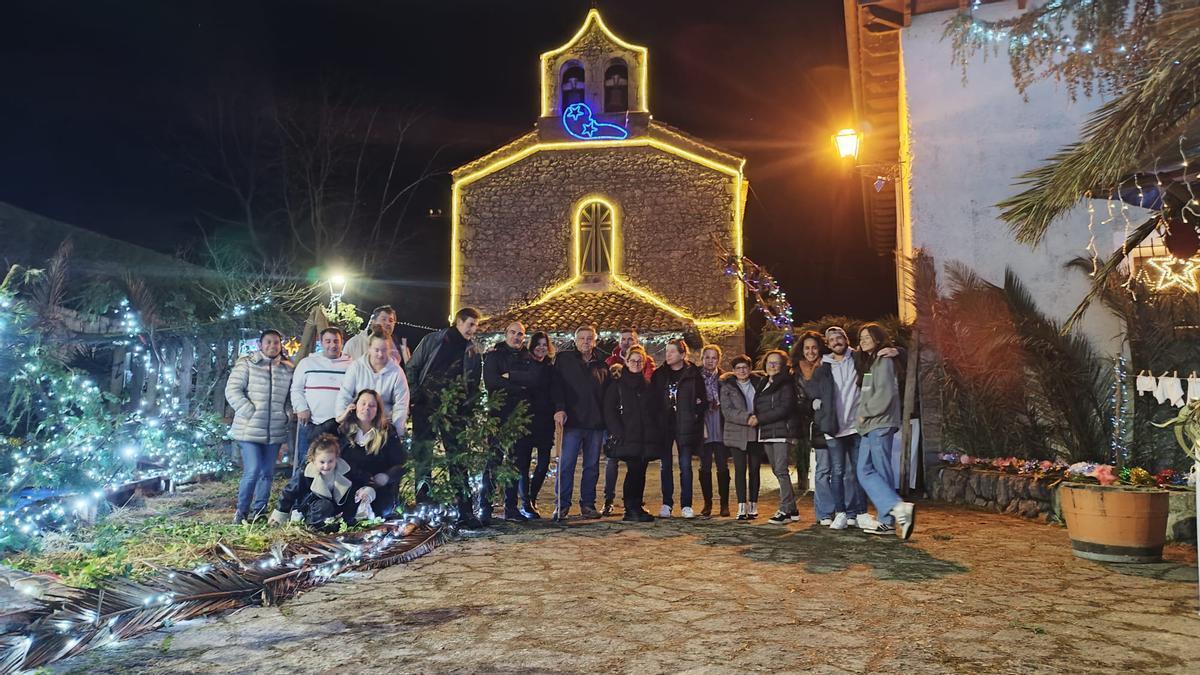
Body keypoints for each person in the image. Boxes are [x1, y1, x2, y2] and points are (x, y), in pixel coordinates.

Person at [406, 307, 483, 526]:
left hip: (455, 411)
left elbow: (474, 382)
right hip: (426, 406)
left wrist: (469, 405)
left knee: (458, 459)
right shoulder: (433, 340)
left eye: (476, 326)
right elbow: (413, 366)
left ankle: (465, 511)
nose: (473, 329)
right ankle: (424, 507)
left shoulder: (473, 350)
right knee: (423, 457)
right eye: (470, 324)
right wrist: (416, 394)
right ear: (458, 322)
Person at [225, 329, 295, 523]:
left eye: (276, 343)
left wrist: (287, 414)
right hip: (249, 428)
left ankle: (259, 511)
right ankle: (241, 512)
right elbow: (232, 390)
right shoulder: (247, 364)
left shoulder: (287, 369)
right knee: (253, 469)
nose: (273, 346)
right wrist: (248, 410)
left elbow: (290, 397)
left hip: (275, 429)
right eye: (268, 342)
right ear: (260, 345)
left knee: (267, 472)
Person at [853, 323, 916, 538]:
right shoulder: (871, 363)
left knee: (876, 471)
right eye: (861, 338)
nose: (863, 341)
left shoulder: (884, 360)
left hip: (879, 423)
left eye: (867, 337)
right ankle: (890, 516)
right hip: (870, 425)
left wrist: (865, 413)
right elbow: (869, 392)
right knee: (867, 470)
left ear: (878, 339)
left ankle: (892, 514)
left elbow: (886, 394)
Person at [550, 325, 609, 521]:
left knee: (592, 466)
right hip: (572, 421)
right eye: (582, 338)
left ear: (595, 341)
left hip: (595, 423)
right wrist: (559, 408)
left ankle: (588, 504)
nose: (585, 341)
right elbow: (556, 386)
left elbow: (607, 395)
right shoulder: (564, 360)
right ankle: (562, 505)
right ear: (575, 341)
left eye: (589, 338)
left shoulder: (602, 365)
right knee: (566, 464)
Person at [482, 321, 537, 521]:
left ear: (524, 337)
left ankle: (511, 508)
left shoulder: (528, 357)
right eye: (513, 333)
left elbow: (533, 380)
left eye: (520, 334)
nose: (516, 337)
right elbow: (492, 382)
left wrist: (510, 377)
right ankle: (485, 507)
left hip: (520, 417)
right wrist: (518, 387)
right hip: (498, 416)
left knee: (516, 463)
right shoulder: (494, 356)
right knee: (493, 462)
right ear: (506, 334)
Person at [603, 346, 661, 523]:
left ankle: (636, 505)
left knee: (640, 472)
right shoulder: (618, 385)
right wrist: (618, 431)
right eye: (633, 360)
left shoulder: (647, 385)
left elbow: (653, 411)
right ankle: (630, 507)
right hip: (628, 435)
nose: (636, 364)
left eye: (639, 361)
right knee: (633, 471)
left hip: (644, 436)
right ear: (626, 362)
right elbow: (609, 410)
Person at [651, 339, 706, 519]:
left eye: (672, 352)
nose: (668, 355)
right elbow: (654, 399)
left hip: (686, 424)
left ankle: (686, 504)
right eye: (667, 351)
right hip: (664, 425)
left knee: (685, 465)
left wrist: (695, 414)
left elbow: (701, 399)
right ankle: (667, 503)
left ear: (682, 355)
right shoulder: (659, 374)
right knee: (665, 466)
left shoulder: (692, 374)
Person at [268, 433, 365, 531]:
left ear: (336, 458)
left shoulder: (345, 470)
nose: (326, 466)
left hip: (336, 506)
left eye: (330, 461)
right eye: (322, 462)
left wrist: (365, 488)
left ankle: (347, 523)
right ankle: (312, 525)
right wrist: (281, 512)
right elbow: (289, 492)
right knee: (324, 505)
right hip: (312, 506)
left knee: (354, 496)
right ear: (314, 460)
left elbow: (358, 479)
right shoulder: (305, 473)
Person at [290, 327, 353, 475]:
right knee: (306, 465)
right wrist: (301, 408)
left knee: (339, 465)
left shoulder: (351, 365)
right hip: (312, 423)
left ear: (342, 342)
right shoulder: (307, 363)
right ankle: (304, 497)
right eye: (328, 341)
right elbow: (296, 389)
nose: (332, 345)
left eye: (336, 341)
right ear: (321, 342)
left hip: (340, 425)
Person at [337, 389, 407, 519]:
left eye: (372, 405)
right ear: (355, 406)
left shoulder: (387, 432)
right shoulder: (343, 430)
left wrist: (386, 477)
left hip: (376, 487)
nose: (366, 408)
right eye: (363, 403)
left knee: (381, 511)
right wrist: (341, 417)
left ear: (378, 410)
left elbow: (400, 465)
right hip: (349, 486)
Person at [793, 331, 839, 525]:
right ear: (802, 350)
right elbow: (794, 400)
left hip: (835, 422)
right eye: (807, 348)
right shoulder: (796, 371)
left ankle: (841, 510)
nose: (811, 351)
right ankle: (824, 513)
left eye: (814, 347)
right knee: (822, 470)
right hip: (815, 425)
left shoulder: (830, 365)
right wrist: (809, 405)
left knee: (839, 469)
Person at [337, 329, 410, 436]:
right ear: (369, 348)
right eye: (376, 350)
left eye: (384, 350)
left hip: (383, 427)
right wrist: (341, 418)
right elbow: (345, 394)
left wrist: (397, 432)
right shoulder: (356, 367)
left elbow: (401, 404)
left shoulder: (397, 372)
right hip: (357, 425)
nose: (380, 354)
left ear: (389, 350)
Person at [756, 349, 801, 525]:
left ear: (782, 366)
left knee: (781, 471)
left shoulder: (786, 384)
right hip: (767, 432)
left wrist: (759, 418)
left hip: (782, 432)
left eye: (776, 363)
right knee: (777, 470)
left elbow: (784, 408)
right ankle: (792, 509)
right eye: (769, 362)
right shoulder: (763, 382)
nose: (772, 366)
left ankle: (784, 510)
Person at [719, 355, 764, 520]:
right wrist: (747, 418)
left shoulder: (759, 383)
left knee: (754, 469)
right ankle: (741, 505)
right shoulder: (727, 387)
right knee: (739, 470)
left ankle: (753, 503)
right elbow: (727, 411)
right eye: (738, 368)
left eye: (745, 367)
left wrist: (758, 417)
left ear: (750, 368)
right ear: (733, 370)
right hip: (737, 433)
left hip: (756, 431)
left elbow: (765, 403)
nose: (742, 371)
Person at [524, 331, 557, 518]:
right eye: (538, 344)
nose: (541, 347)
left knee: (543, 462)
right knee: (524, 461)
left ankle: (532, 496)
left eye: (545, 344)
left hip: (545, 419)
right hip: (527, 418)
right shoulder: (525, 365)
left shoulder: (550, 368)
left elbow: (556, 390)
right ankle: (526, 502)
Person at [698, 344, 731, 517]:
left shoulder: (725, 378)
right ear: (702, 359)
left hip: (720, 424)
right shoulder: (695, 377)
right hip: (704, 425)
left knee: (722, 466)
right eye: (707, 357)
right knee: (704, 466)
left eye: (714, 358)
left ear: (718, 359)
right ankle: (707, 503)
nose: (710, 361)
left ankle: (724, 504)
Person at [344, 305, 409, 365]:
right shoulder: (354, 343)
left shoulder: (396, 349)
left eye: (391, 320)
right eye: (383, 319)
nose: (388, 323)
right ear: (373, 321)